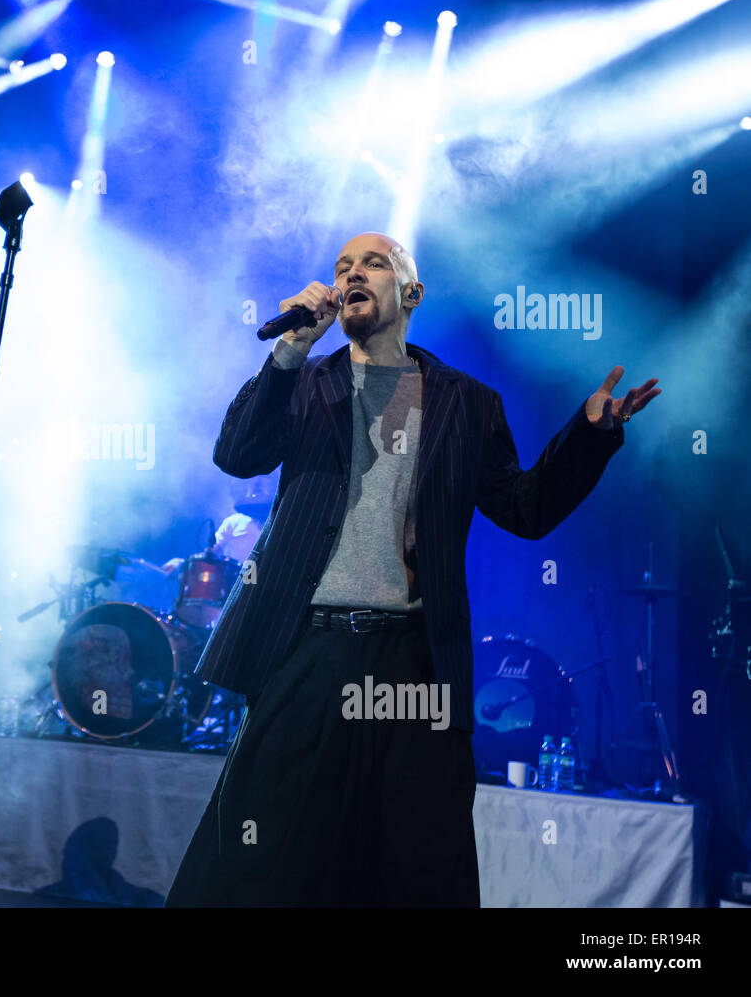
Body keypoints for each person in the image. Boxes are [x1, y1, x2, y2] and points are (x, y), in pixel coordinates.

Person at [164, 232, 661, 907]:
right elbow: (238, 453)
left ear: (412, 292)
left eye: (373, 262)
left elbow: (525, 507)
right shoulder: (306, 383)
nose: (352, 272)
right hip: (308, 650)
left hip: (416, 660)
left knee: (418, 859)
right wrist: (290, 349)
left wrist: (589, 436)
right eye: (342, 266)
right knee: (262, 851)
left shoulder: (467, 402)